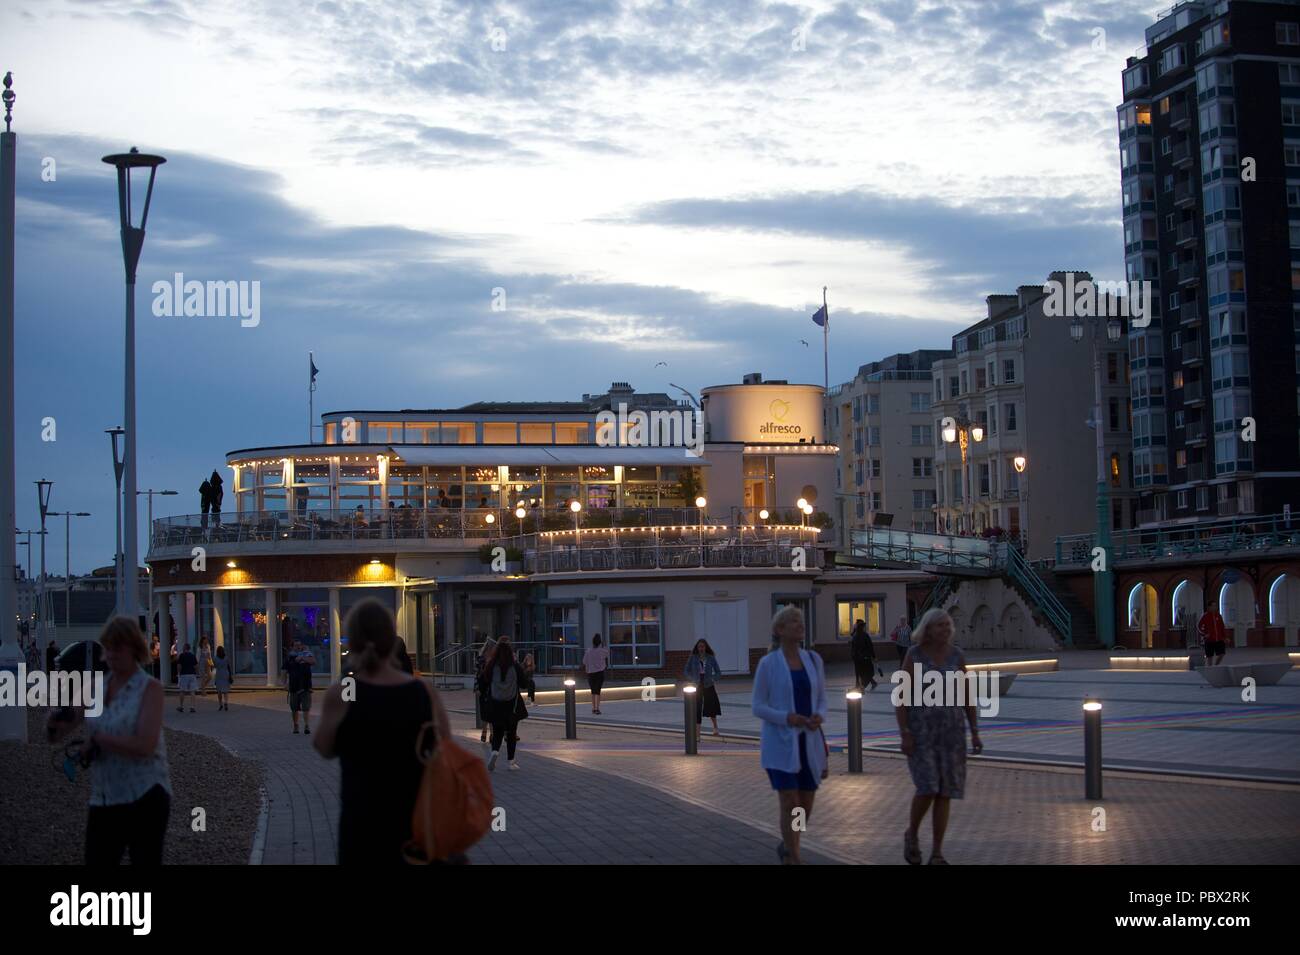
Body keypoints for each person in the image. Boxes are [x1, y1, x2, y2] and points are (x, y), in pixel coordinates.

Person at [313, 599, 452, 865]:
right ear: (393, 642)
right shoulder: (423, 692)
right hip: (416, 824)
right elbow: (445, 750)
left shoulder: (344, 693)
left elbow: (323, 746)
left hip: (361, 828)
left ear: (351, 643)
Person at [47, 617, 172, 865]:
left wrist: (98, 741)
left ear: (135, 649)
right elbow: (60, 730)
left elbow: (145, 745)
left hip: (145, 796)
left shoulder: (150, 689)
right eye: (108, 647)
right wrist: (53, 722)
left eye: (118, 647)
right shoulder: (95, 688)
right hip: (104, 797)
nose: (112, 654)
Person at [896, 608, 982, 866]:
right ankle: (912, 833)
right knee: (927, 787)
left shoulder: (957, 656)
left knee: (945, 791)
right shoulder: (915, 655)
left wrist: (975, 731)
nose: (945, 630)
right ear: (928, 629)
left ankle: (936, 851)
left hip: (952, 733)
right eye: (940, 626)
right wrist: (905, 733)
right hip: (921, 732)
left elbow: (967, 696)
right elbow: (902, 698)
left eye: (948, 625)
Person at [752, 605, 827, 865]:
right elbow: (758, 705)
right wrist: (786, 718)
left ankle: (788, 841)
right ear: (779, 630)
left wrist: (819, 715)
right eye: (793, 621)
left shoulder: (814, 660)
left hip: (809, 742)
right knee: (789, 800)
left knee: (805, 803)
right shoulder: (768, 664)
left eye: (801, 620)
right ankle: (793, 856)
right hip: (780, 745)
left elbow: (822, 699)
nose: (800, 624)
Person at [484, 637, 529, 771]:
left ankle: (494, 752)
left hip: (496, 704)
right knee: (511, 733)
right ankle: (511, 762)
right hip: (512, 705)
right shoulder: (515, 666)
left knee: (497, 731)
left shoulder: (491, 666)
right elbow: (524, 683)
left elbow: (484, 682)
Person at [684, 639, 723, 737]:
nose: (701, 648)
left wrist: (713, 679)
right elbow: (686, 671)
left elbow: (718, 672)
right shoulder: (693, 658)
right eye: (699, 646)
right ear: (697, 648)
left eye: (703, 646)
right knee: (697, 707)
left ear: (706, 647)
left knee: (711, 706)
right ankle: (697, 732)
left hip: (708, 684)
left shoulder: (710, 658)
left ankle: (715, 727)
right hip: (697, 684)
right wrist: (692, 679)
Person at [282, 640, 315, 734]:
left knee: (306, 707)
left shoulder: (307, 654)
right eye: (296, 645)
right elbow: (284, 671)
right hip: (293, 686)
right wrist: (284, 684)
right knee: (294, 708)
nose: (298, 647)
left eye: (300, 645)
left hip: (306, 686)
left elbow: (313, 661)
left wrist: (303, 658)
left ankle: (306, 726)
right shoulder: (289, 658)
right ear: (292, 647)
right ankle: (296, 725)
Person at [582, 633, 609, 714]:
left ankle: (593, 707)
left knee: (593, 691)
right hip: (600, 673)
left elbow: (584, 662)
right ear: (600, 642)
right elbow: (607, 653)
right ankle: (597, 708)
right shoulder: (602, 651)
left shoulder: (588, 651)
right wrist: (603, 645)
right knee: (598, 691)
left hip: (590, 673)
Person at [850, 619, 878, 691]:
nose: (856, 626)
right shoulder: (855, 635)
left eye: (857, 625)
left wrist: (873, 656)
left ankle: (861, 686)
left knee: (863, 672)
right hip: (857, 657)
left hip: (864, 657)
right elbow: (853, 645)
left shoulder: (864, 635)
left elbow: (870, 646)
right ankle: (861, 685)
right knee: (860, 672)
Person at [175, 642, 199, 713]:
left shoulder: (181, 656)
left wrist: (178, 673)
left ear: (185, 648)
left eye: (183, 647)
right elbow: (196, 666)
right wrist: (196, 673)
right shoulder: (192, 656)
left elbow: (179, 666)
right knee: (192, 691)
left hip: (184, 674)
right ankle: (192, 706)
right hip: (192, 674)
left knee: (182, 690)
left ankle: (181, 706)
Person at [213, 644, 232, 710]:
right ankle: (226, 702)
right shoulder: (226, 658)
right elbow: (228, 666)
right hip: (226, 674)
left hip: (219, 674)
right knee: (226, 691)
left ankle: (220, 704)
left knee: (219, 691)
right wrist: (230, 675)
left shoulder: (215, 658)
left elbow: (215, 666)